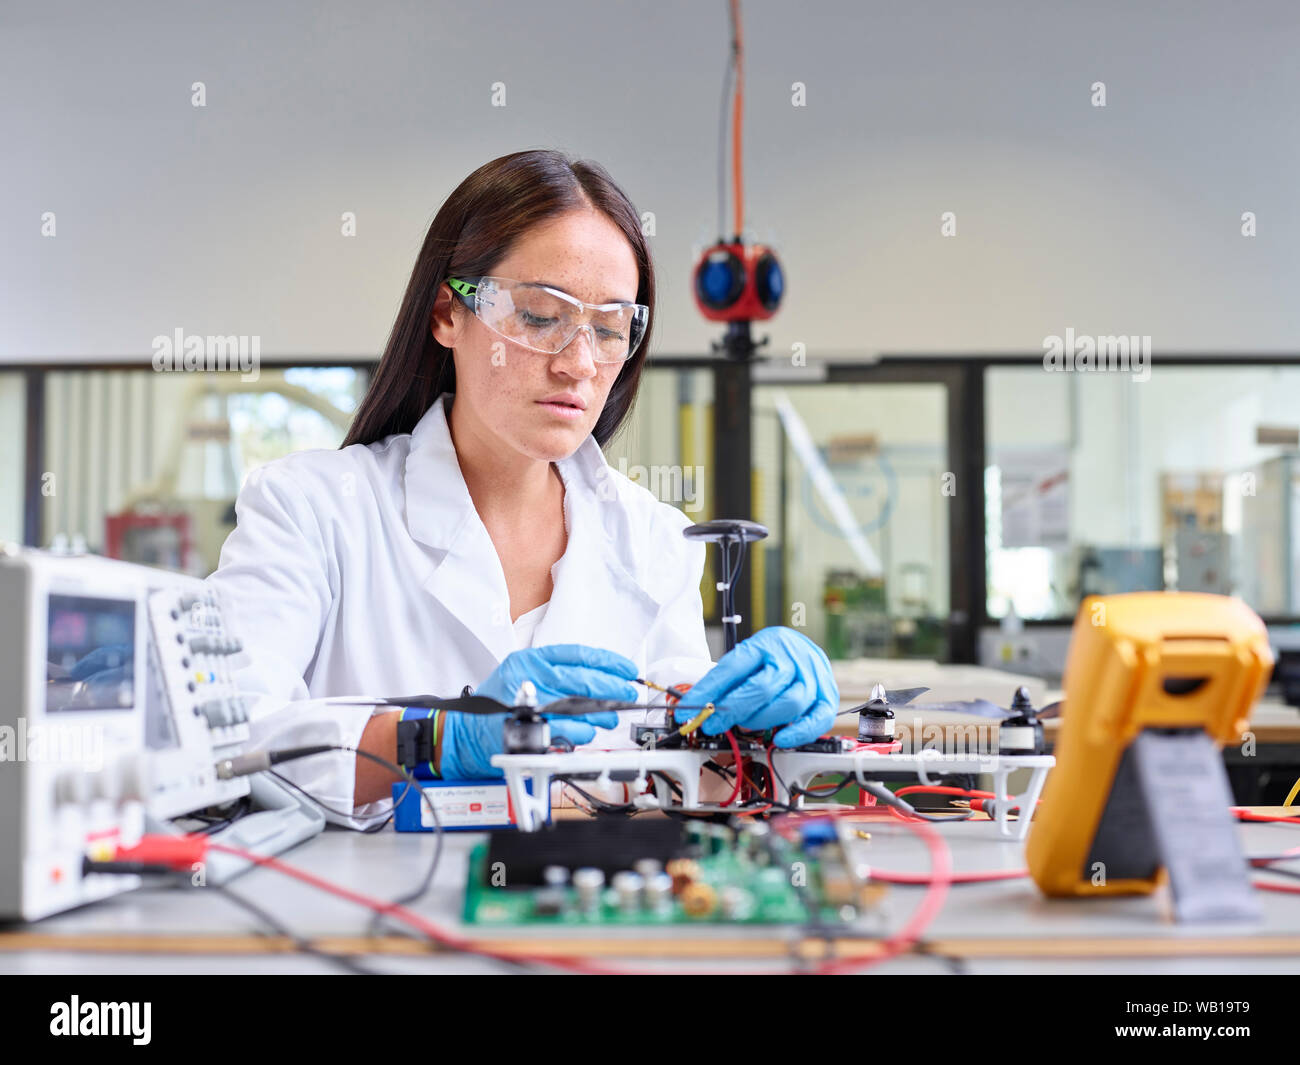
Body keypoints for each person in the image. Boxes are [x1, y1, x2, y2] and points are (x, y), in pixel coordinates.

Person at [206, 149, 838, 827]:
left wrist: (755, 731)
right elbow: (223, 744)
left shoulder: (652, 539)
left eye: (609, 326)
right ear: (447, 313)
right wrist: (435, 740)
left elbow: (690, 782)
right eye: (540, 315)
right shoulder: (315, 508)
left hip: (594, 916)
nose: (579, 364)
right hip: (360, 925)